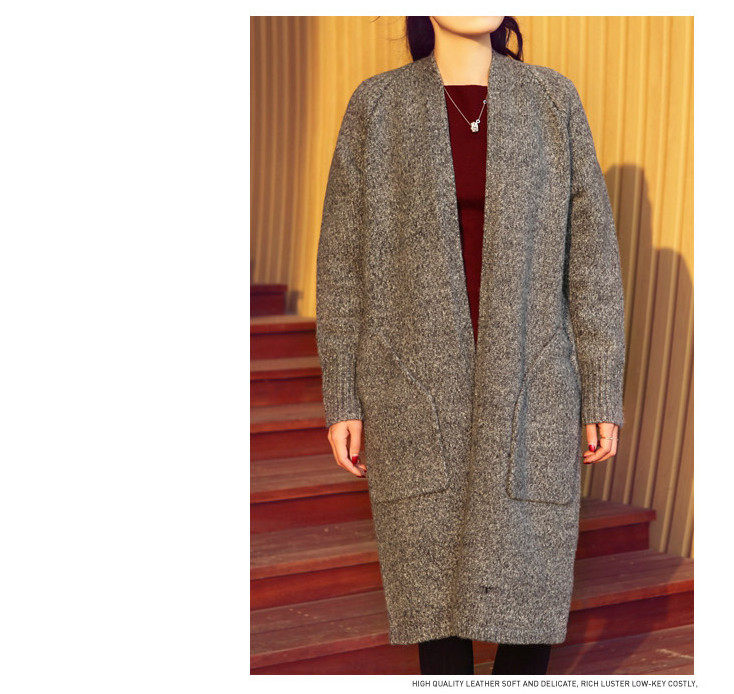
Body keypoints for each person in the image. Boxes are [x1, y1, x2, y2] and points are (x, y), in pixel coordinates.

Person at [315, 16, 625, 676]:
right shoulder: (378, 105)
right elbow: (342, 261)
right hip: (413, 388)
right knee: (433, 600)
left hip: (532, 384)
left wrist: (601, 386)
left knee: (530, 597)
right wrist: (342, 393)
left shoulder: (552, 99)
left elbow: (592, 257)